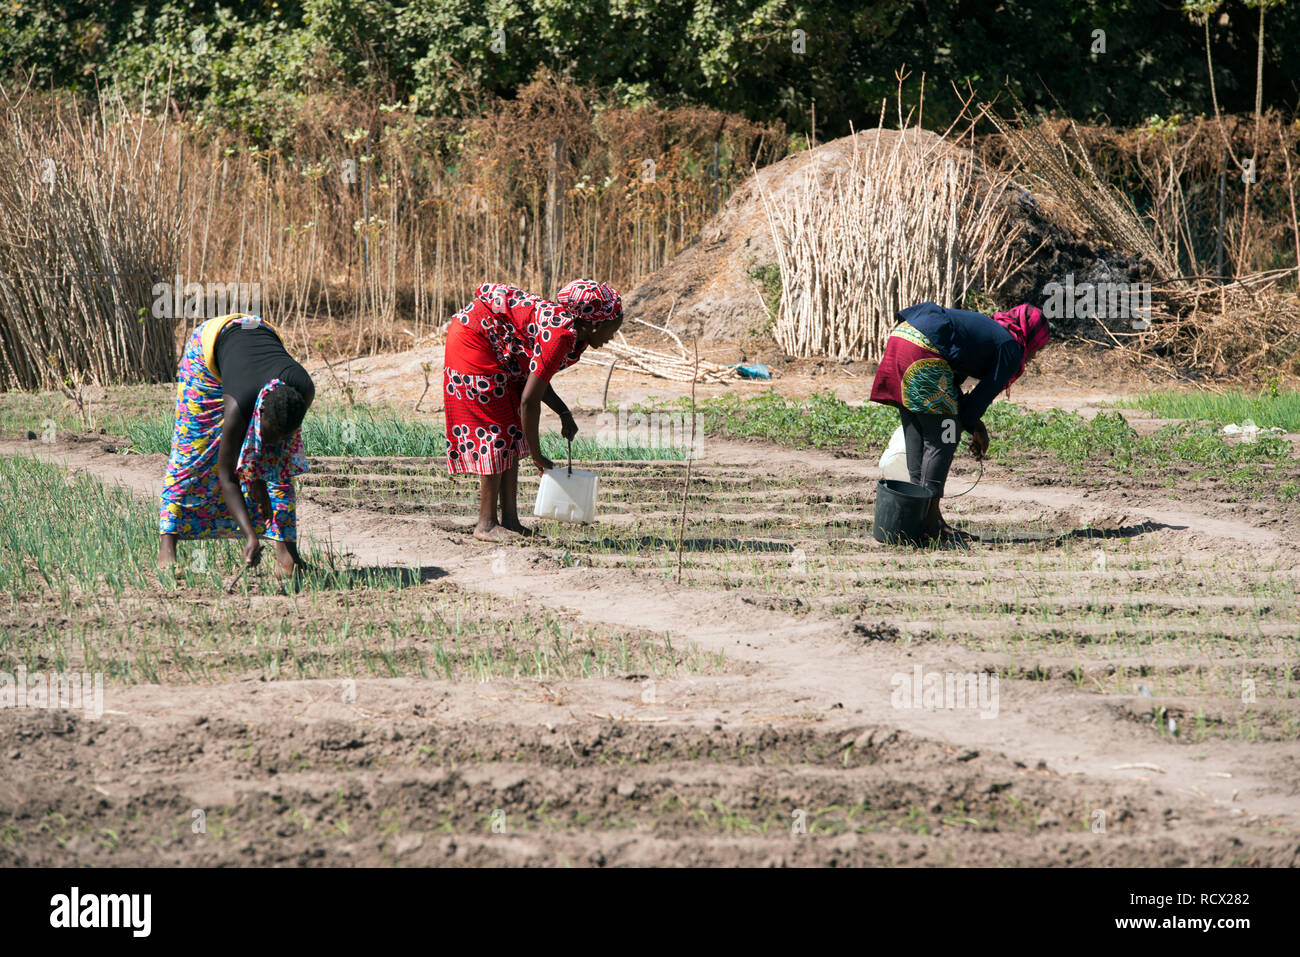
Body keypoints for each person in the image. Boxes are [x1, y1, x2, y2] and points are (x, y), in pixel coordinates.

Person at [442, 279, 623, 541]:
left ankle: (511, 521)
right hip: (474, 340)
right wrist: (537, 456)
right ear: (594, 326)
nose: (611, 337)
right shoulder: (561, 335)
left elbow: (535, 377)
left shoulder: (572, 331)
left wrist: (563, 412)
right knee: (497, 433)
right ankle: (486, 524)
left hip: (491, 343)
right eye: (611, 330)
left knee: (512, 432)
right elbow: (529, 400)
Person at [870, 301, 1049, 542]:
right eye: (1039, 348)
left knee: (917, 428)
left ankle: (917, 516)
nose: (1035, 354)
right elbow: (981, 397)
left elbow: (952, 379)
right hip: (925, 349)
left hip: (902, 338)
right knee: (945, 436)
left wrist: (971, 423)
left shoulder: (989, 331)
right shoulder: (1011, 347)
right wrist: (972, 426)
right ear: (1033, 337)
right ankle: (931, 524)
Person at [158, 313, 315, 574]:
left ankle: (288, 557)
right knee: (191, 452)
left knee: (281, 469)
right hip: (208, 351)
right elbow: (227, 475)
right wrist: (250, 535)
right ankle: (167, 552)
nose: (271, 443)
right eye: (267, 434)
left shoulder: (303, 390)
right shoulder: (238, 405)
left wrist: (260, 477)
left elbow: (269, 452)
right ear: (259, 411)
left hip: (258, 332)